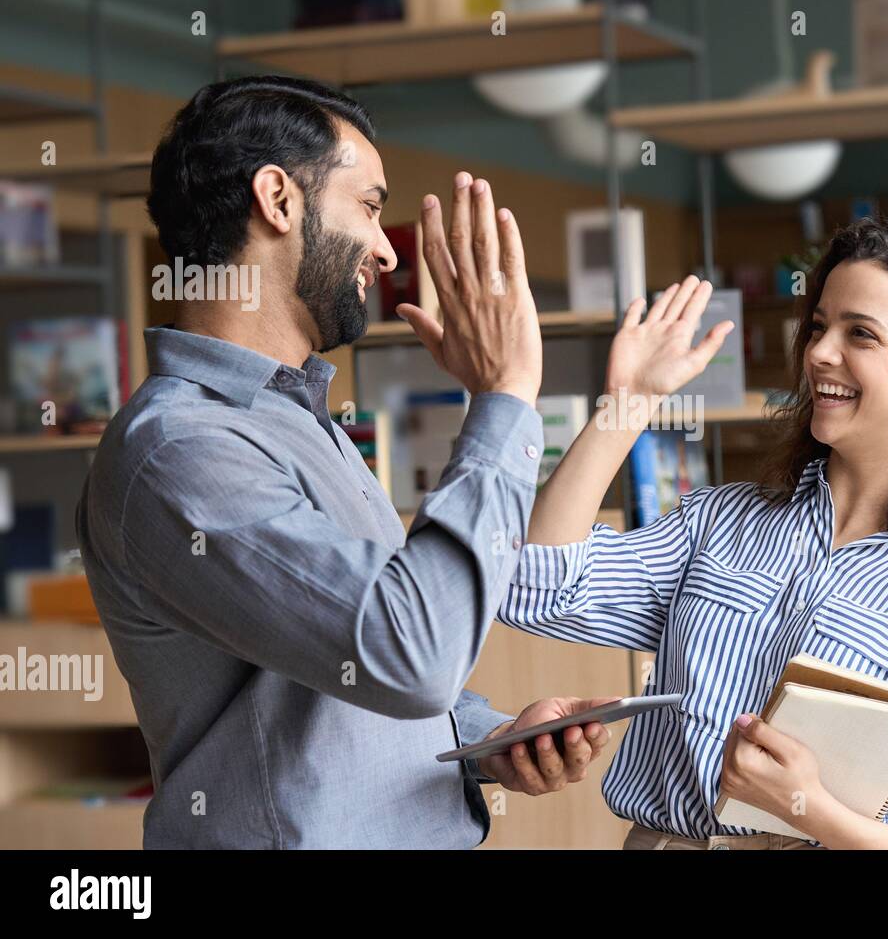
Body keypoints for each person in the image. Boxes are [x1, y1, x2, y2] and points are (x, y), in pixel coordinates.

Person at [76, 75, 616, 848]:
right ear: (279, 199)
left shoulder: (298, 417)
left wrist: (489, 736)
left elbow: (342, 652)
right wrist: (505, 395)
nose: (385, 246)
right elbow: (411, 653)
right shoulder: (180, 451)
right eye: (368, 205)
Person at [494, 218, 888, 849]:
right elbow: (534, 587)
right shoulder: (718, 521)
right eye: (819, 326)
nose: (820, 352)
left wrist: (809, 809)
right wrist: (629, 401)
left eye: (862, 334)